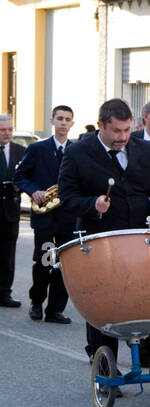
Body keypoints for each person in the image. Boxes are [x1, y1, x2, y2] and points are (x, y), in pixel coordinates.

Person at [56, 99, 150, 393]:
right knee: (104, 305)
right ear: (102, 125)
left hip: (142, 238)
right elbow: (67, 197)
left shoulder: (145, 149)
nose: (122, 137)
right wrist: (91, 204)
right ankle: (106, 375)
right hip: (100, 241)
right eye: (116, 131)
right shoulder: (79, 152)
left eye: (127, 130)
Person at [13, 105, 77, 321]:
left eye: (67, 119)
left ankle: (55, 309)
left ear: (72, 123)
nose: (63, 123)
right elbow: (20, 176)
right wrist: (33, 191)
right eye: (59, 118)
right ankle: (37, 303)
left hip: (68, 217)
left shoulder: (77, 150)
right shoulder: (37, 149)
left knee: (64, 265)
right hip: (45, 217)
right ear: (52, 121)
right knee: (44, 261)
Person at [0, 114, 26, 307]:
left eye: (9, 129)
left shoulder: (21, 151)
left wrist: (21, 186)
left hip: (10, 210)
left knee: (8, 254)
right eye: (2, 130)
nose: (7, 133)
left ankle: (4, 294)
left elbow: (27, 177)